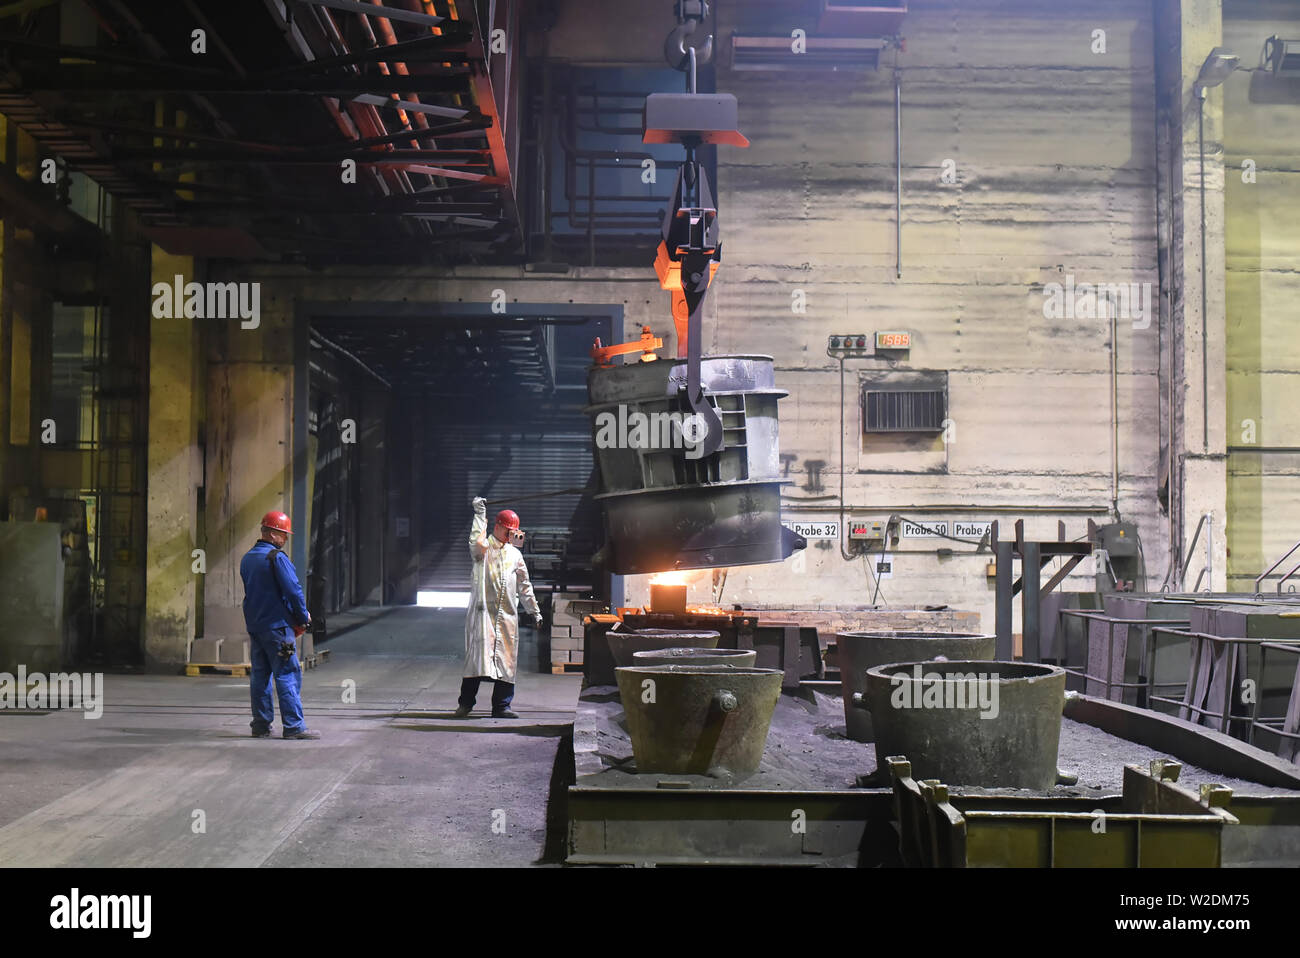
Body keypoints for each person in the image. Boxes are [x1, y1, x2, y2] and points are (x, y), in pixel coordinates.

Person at [456, 497, 543, 719]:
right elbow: (475, 540)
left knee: (506, 662)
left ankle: (502, 706)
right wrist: (479, 514)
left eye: (513, 532)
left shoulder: (515, 555)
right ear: (497, 526)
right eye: (507, 531)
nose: (510, 535)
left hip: (506, 618)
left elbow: (525, 586)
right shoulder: (483, 550)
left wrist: (534, 611)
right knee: (477, 659)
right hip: (483, 615)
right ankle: (466, 704)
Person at [239, 510, 320, 740]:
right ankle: (294, 727)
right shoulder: (276, 558)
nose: (285, 539)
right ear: (273, 533)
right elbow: (293, 590)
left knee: (260, 676)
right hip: (278, 628)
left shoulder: (248, 558)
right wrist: (303, 616)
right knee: (287, 674)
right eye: (283, 534)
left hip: (256, 626)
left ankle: (261, 725)